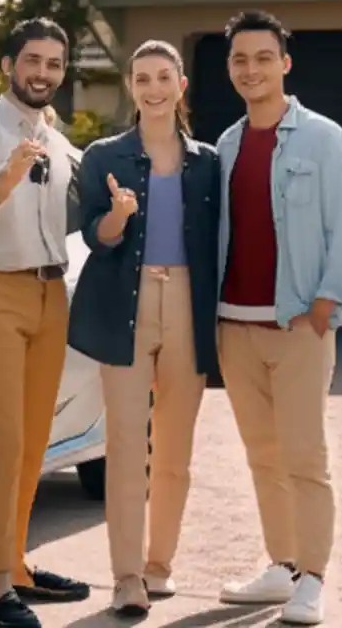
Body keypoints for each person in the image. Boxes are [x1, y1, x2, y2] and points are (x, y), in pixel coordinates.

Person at [213, 10, 342, 626]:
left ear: (285, 63)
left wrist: (325, 304)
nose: (251, 69)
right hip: (235, 324)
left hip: (299, 324)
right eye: (239, 60)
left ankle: (313, 577)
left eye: (261, 57)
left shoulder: (324, 138)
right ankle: (281, 565)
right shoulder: (223, 145)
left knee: (305, 457)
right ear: (230, 70)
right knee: (262, 456)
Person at [66, 40, 221, 616]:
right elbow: (95, 238)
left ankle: (160, 565)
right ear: (131, 86)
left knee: (176, 450)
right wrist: (121, 215)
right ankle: (126, 575)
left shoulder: (207, 161)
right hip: (125, 306)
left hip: (187, 302)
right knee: (127, 447)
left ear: (181, 86)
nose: (152, 88)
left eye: (163, 77)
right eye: (141, 78)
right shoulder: (104, 156)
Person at [0, 17, 91, 628]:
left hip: (50, 292)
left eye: (54, 64)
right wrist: (9, 172)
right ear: (10, 65)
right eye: (33, 60)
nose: (43, 74)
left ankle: (18, 565)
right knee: (1, 439)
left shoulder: (57, 138)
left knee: (36, 440)